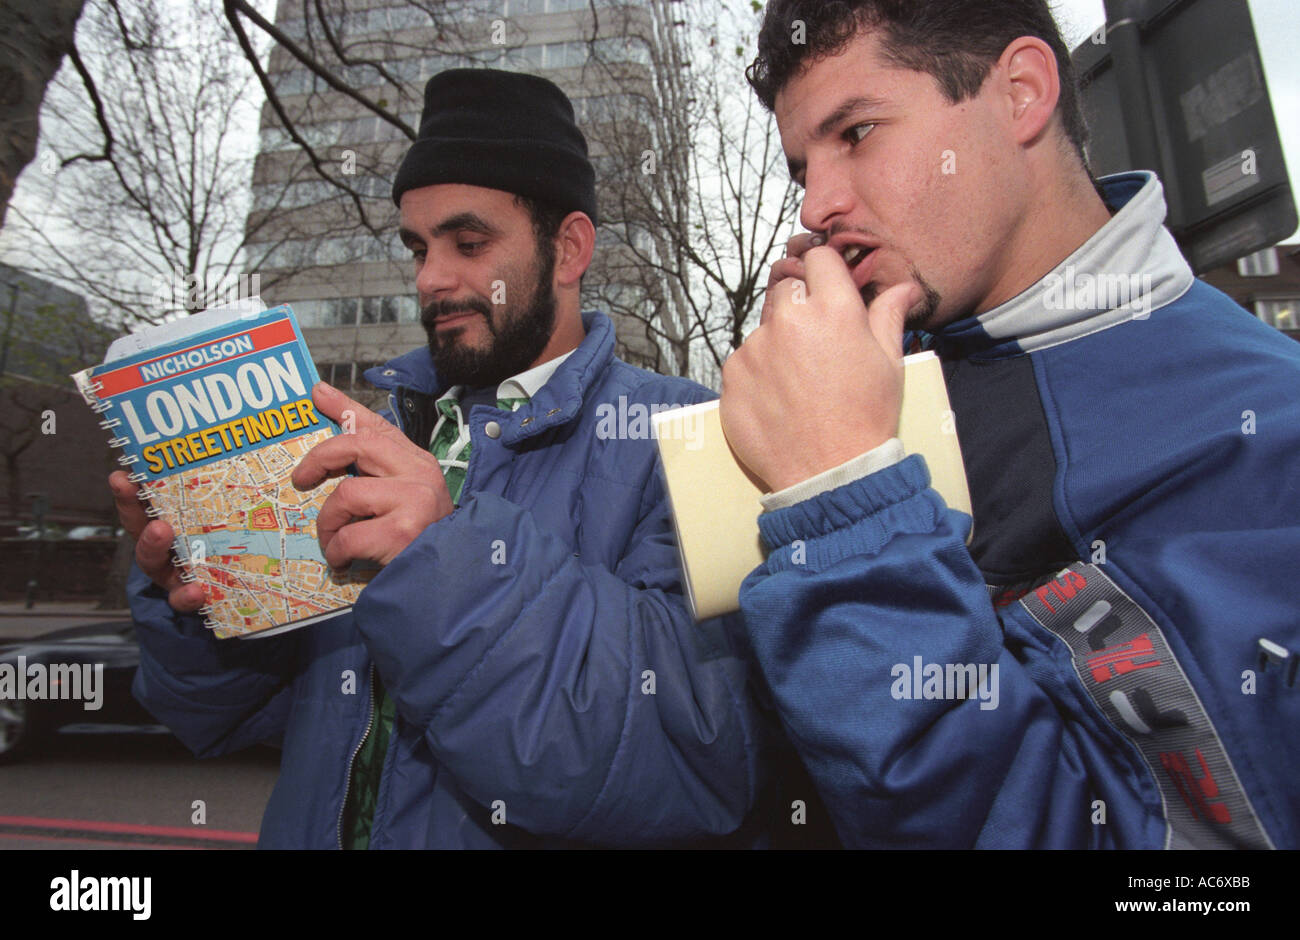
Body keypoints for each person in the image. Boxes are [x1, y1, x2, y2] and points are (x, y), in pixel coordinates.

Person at [109, 69, 773, 849]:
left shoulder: (694, 434)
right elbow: (228, 718)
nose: (431, 280)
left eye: (468, 243)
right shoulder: (374, 437)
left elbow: (697, 762)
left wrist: (442, 563)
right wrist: (202, 603)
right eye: (418, 248)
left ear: (569, 248)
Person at [720, 0, 1299, 849]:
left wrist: (844, 497)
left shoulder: (1268, 440)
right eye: (804, 164)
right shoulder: (876, 374)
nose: (818, 203)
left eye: (857, 133)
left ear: (1023, 93)